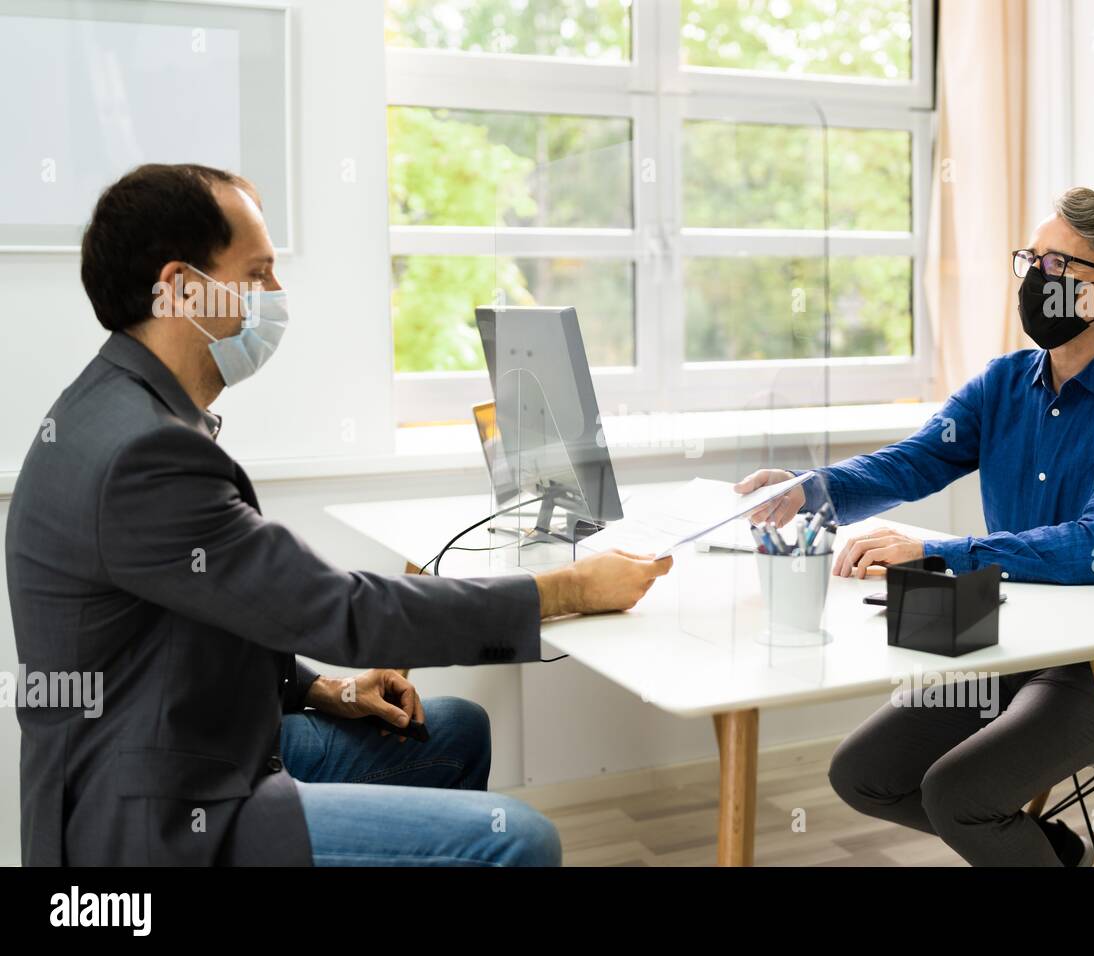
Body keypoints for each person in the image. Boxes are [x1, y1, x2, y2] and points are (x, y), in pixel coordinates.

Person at [6, 163, 671, 867]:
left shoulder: (123, 408)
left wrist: (321, 687)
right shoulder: (143, 453)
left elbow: (218, 607)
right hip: (153, 816)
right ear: (179, 289)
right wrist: (564, 590)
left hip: (177, 738)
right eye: (257, 274)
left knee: (454, 732)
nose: (275, 296)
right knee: (522, 840)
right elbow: (337, 609)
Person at [735, 187, 1094, 866]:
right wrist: (808, 491)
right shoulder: (1004, 383)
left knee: (956, 794)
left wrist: (937, 550)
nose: (1038, 279)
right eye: (1031, 260)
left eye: (1060, 266)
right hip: (1004, 639)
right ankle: (1056, 855)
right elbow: (913, 462)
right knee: (863, 773)